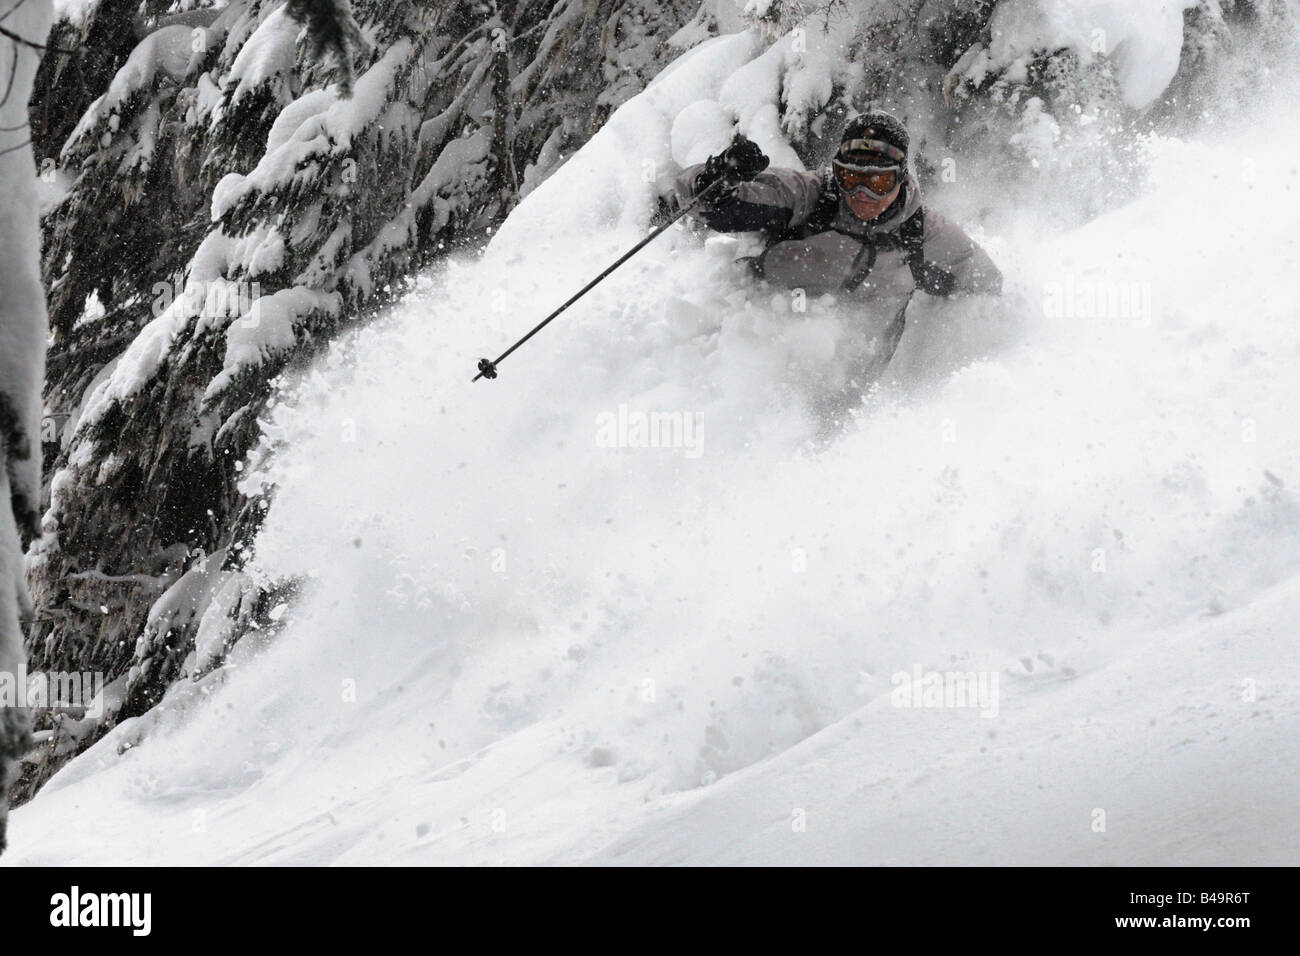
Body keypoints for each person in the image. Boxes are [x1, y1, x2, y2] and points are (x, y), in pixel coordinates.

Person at [675, 110, 1001, 376]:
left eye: (878, 181)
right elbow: (710, 203)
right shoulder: (813, 197)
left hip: (854, 388)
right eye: (850, 178)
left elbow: (986, 287)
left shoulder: (922, 235)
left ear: (901, 178)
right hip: (758, 358)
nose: (862, 194)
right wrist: (716, 181)